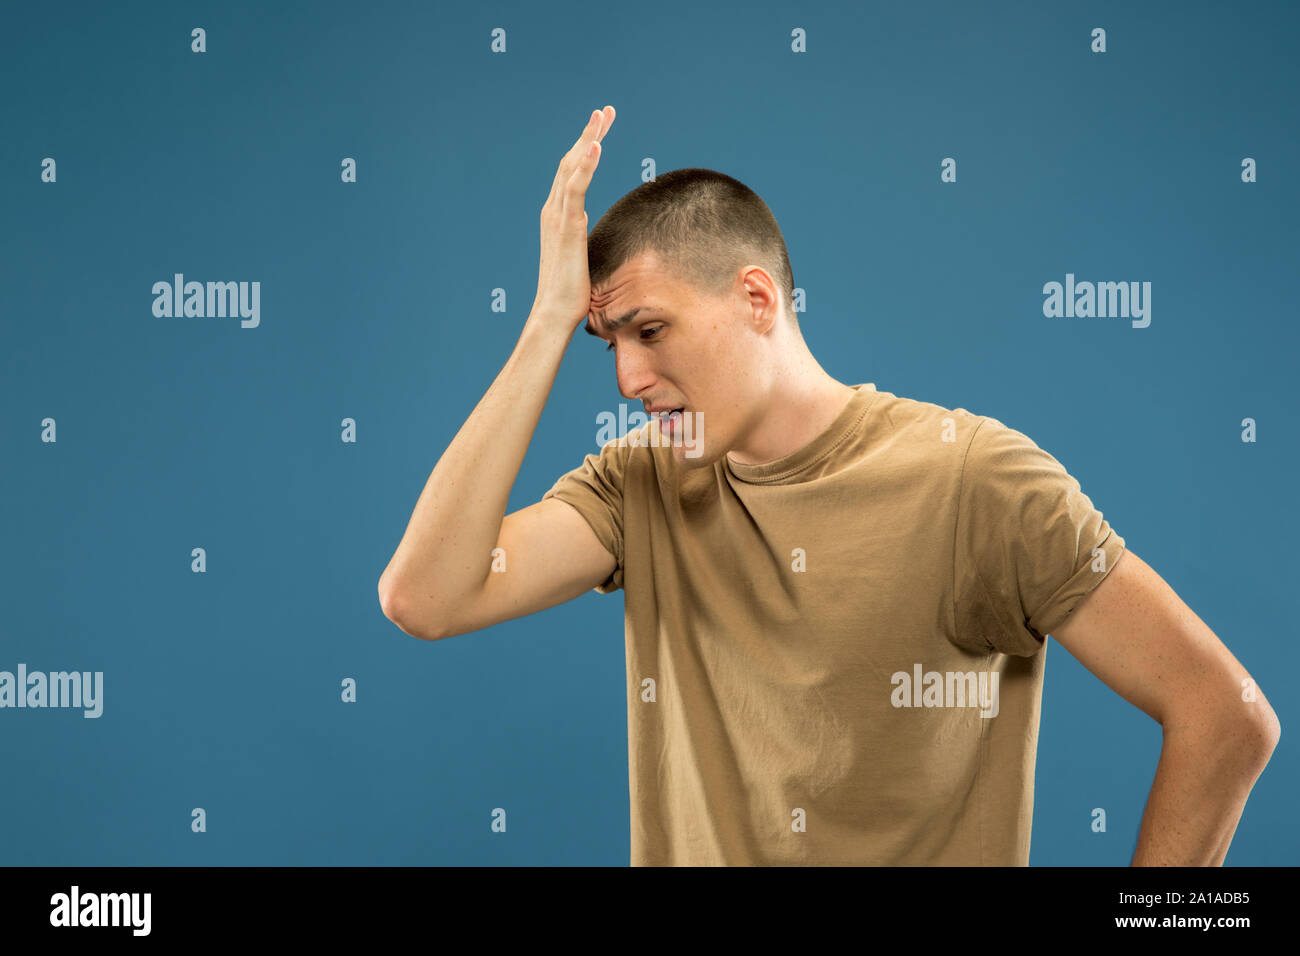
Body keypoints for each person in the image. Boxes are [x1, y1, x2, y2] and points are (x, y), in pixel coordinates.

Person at [378, 106, 1280, 866]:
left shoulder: (975, 478)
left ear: (757, 299)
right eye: (607, 343)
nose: (626, 379)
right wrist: (543, 323)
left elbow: (1227, 718)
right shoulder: (636, 486)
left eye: (649, 330)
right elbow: (425, 596)